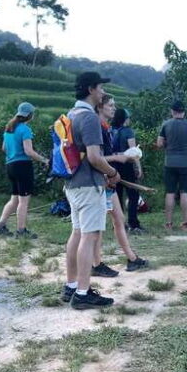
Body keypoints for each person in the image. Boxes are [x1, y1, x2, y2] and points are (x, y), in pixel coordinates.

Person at [61, 72, 121, 310]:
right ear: (90, 89)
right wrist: (112, 174)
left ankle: (72, 286)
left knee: (77, 233)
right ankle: (84, 293)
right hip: (89, 185)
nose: (103, 92)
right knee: (90, 235)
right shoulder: (89, 118)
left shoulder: (71, 114)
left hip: (73, 184)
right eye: (100, 88)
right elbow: (95, 157)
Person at [90, 94, 148, 277]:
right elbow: (95, 158)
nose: (114, 109)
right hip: (101, 180)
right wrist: (117, 158)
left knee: (118, 219)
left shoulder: (106, 129)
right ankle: (95, 264)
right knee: (98, 225)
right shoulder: (97, 128)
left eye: (114, 106)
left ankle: (131, 258)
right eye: (110, 105)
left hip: (108, 180)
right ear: (100, 107)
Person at [0, 102, 49, 239]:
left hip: (10, 166)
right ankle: (21, 231)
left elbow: (4, 149)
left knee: (14, 199)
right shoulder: (25, 129)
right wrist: (44, 160)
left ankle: (0, 226)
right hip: (23, 166)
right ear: (30, 115)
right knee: (24, 201)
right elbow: (29, 151)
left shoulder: (9, 129)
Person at [156, 100, 187, 231]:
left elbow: (159, 144)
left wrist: (168, 146)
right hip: (185, 162)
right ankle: (186, 223)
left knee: (169, 192)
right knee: (184, 192)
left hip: (169, 162)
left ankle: (168, 224)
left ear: (172, 111)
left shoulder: (166, 124)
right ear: (183, 112)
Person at [111, 107, 146, 234]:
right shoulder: (128, 132)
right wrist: (138, 167)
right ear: (125, 119)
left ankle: (119, 224)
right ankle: (133, 223)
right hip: (126, 165)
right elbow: (133, 151)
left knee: (117, 195)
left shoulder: (111, 130)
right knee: (133, 195)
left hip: (113, 166)